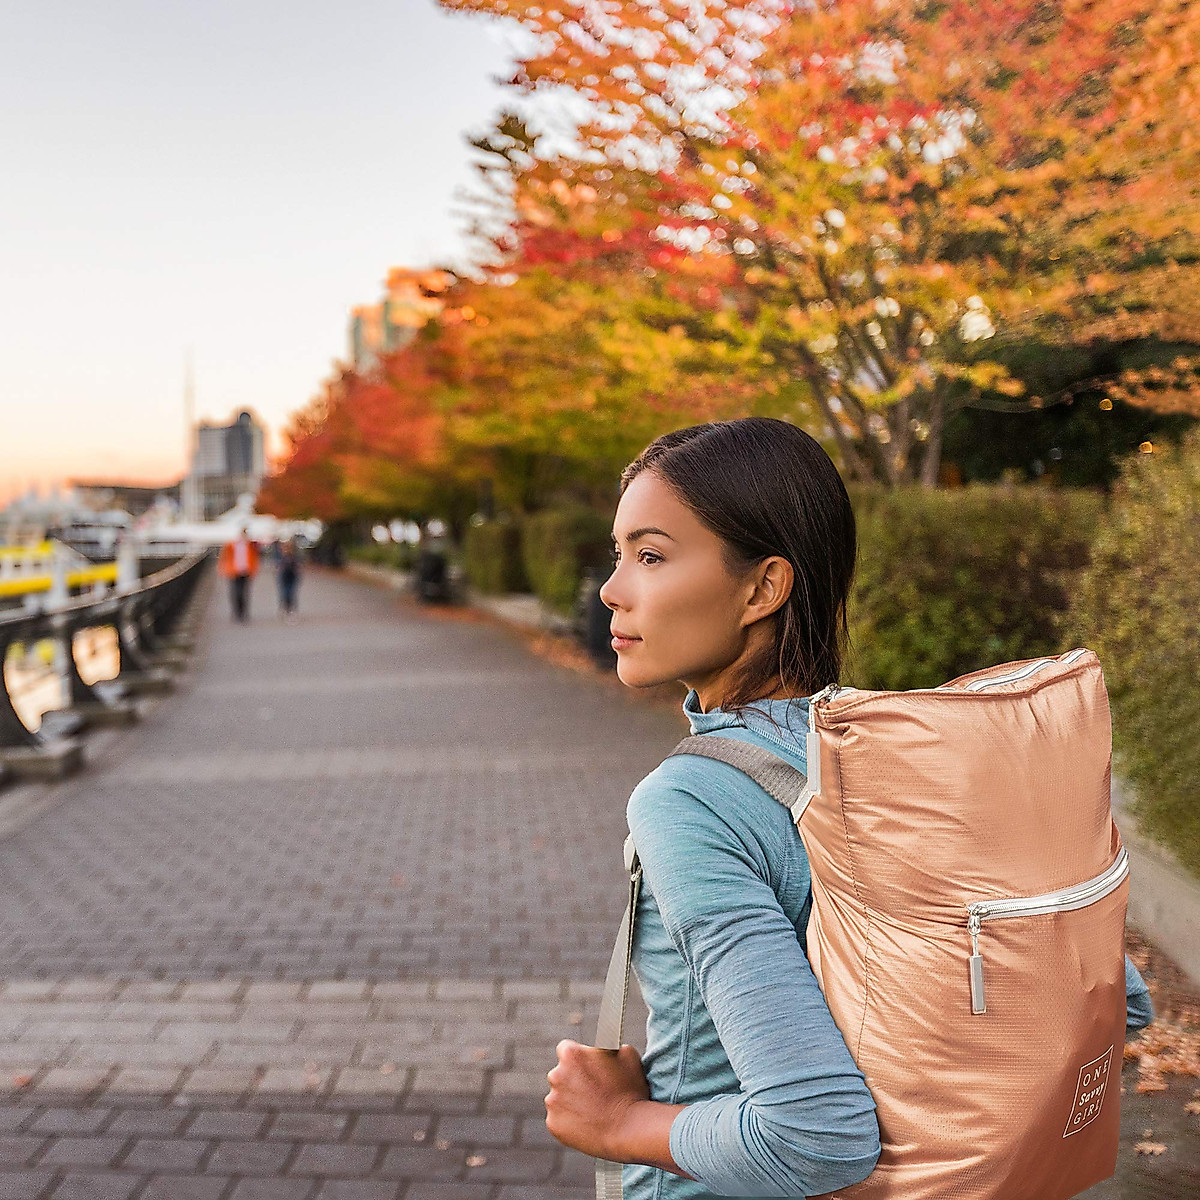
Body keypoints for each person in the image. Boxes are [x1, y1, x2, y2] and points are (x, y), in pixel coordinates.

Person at [544, 417, 1154, 1198]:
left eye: (652, 556)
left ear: (763, 588)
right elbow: (1114, 1003)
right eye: (619, 554)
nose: (612, 589)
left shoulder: (694, 800)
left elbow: (816, 1140)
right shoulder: (899, 760)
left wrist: (618, 1126)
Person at [218, 526, 260, 623]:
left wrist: (253, 570)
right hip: (234, 571)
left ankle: (243, 612)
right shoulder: (231, 545)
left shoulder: (250, 545)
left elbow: (255, 558)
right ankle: (237, 612)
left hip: (246, 570)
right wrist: (222, 568)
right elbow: (224, 557)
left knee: (244, 592)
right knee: (236, 592)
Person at [274, 535, 302, 620]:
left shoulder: (295, 555)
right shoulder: (280, 555)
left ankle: (290, 610)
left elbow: (298, 565)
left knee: (291, 593)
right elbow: (277, 566)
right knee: (285, 593)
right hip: (284, 576)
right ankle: (286, 609)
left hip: (292, 576)